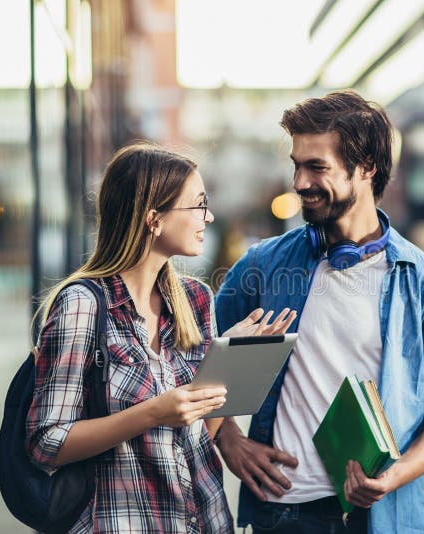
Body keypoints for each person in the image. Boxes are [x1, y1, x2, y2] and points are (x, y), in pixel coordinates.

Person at [214, 90, 424, 534]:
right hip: (285, 512)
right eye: (297, 165)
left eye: (316, 167)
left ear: (367, 167)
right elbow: (186, 353)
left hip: (385, 517)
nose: (299, 182)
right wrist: (227, 438)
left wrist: (394, 475)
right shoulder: (263, 267)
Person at [25, 143, 296, 533]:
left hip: (205, 518)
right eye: (198, 205)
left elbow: (196, 435)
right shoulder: (82, 305)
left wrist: (226, 365)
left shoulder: (195, 300)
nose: (209, 216)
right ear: (153, 217)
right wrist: (154, 412)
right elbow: (46, 442)